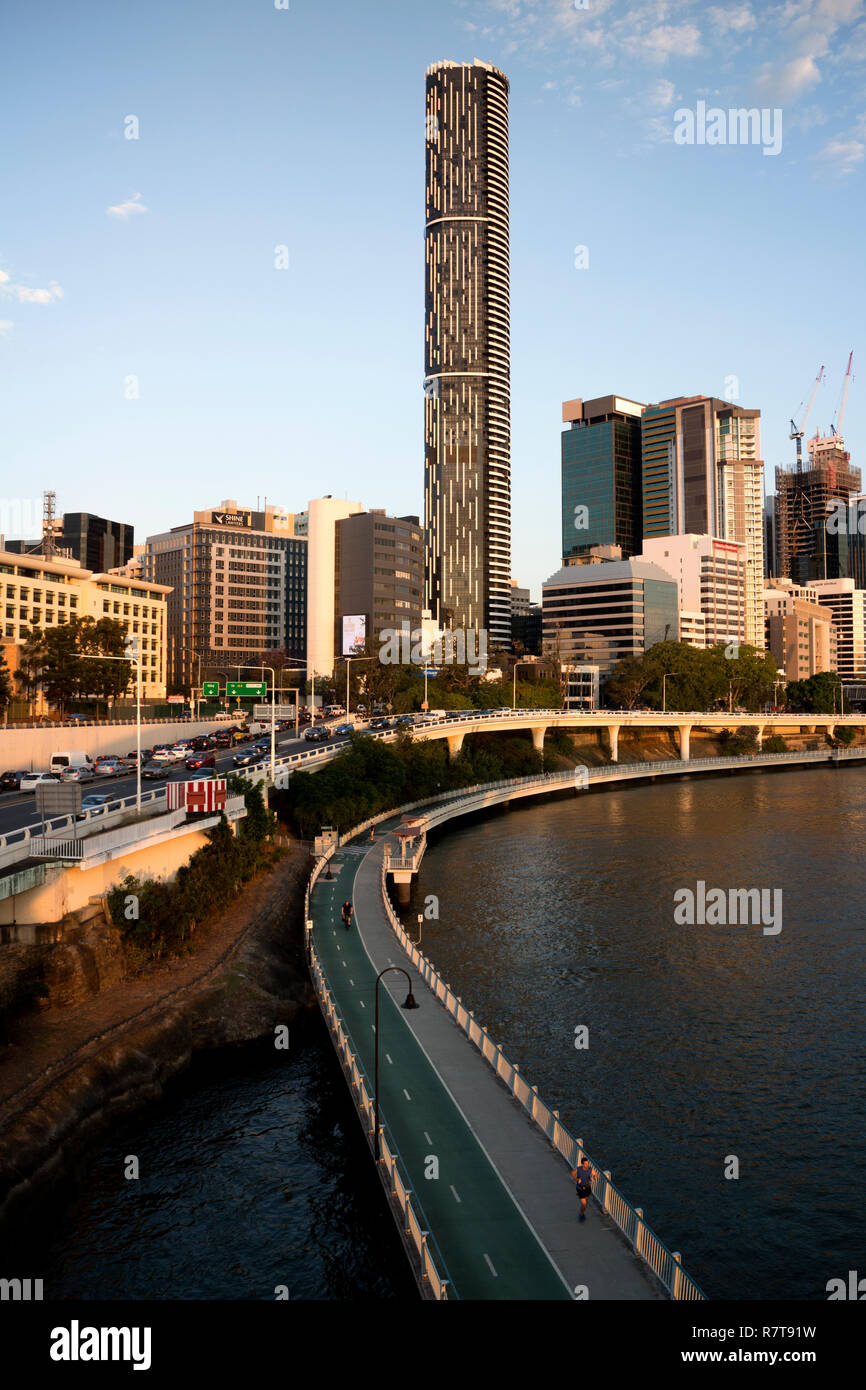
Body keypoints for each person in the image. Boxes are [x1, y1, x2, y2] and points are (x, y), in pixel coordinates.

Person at [571, 1156, 596, 1222]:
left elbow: (595, 1175)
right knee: (584, 1204)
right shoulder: (579, 1169)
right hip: (580, 1188)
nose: (587, 1165)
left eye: (588, 1163)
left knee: (586, 1202)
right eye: (585, 1164)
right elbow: (572, 1173)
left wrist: (593, 1178)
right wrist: (577, 1179)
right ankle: (581, 1214)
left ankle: (582, 1212)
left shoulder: (590, 1169)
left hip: (587, 1188)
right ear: (582, 1164)